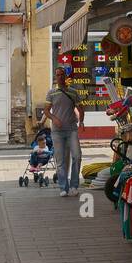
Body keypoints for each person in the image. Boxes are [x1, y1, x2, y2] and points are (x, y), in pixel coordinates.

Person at [43, 67, 84, 197]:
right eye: (57, 75)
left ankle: (74, 185)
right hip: (57, 132)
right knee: (60, 160)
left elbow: (80, 108)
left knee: (77, 156)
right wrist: (54, 118)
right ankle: (63, 187)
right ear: (55, 77)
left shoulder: (73, 92)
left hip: (72, 129)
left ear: (65, 76)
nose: (59, 77)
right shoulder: (51, 93)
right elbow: (46, 111)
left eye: (61, 75)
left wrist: (81, 121)